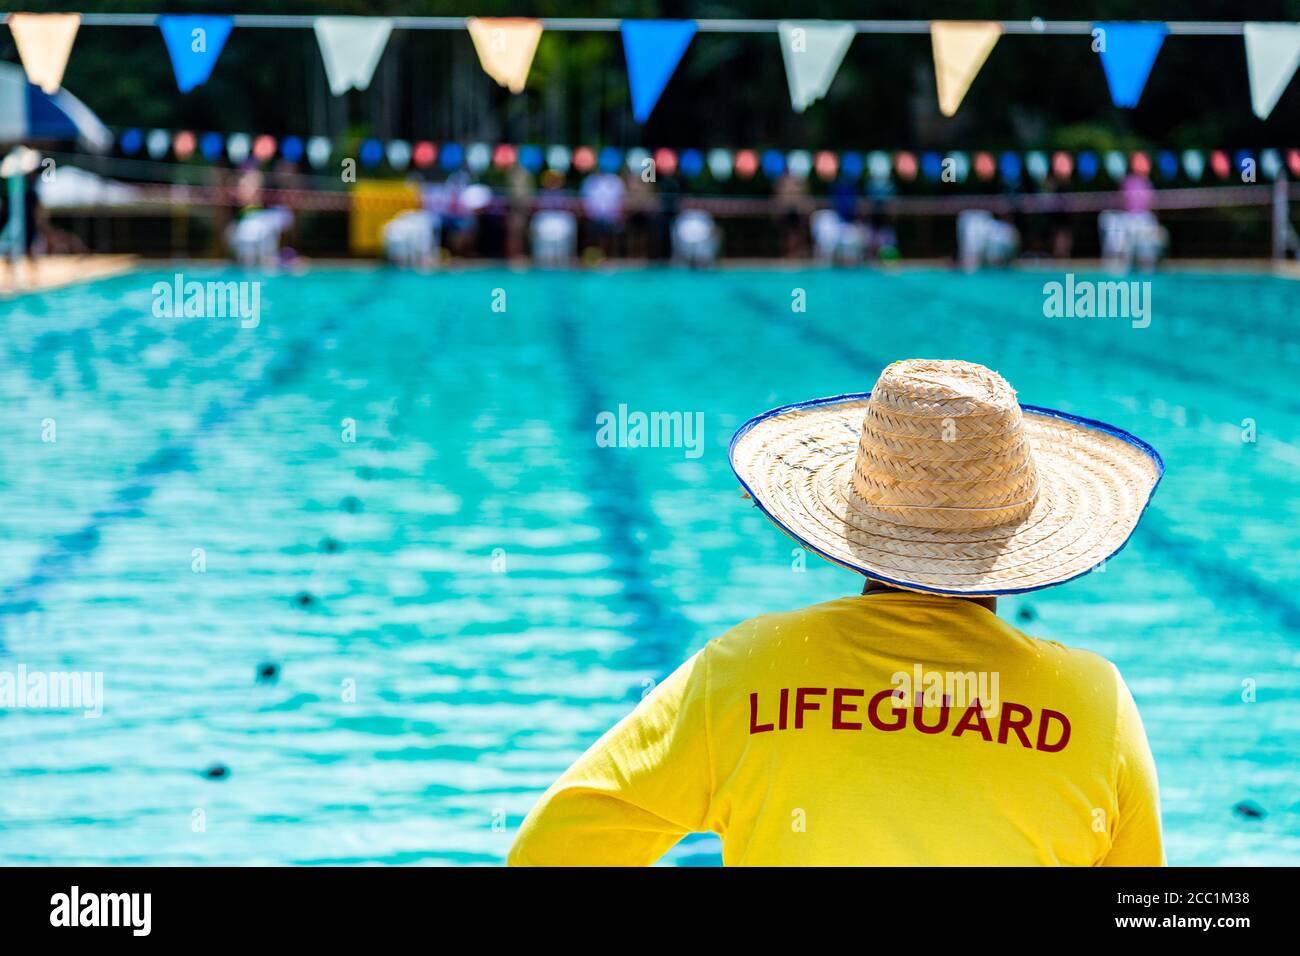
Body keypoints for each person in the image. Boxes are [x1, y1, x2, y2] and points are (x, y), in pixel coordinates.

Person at [510, 359, 1166, 866]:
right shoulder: (1093, 706)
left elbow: (552, 845)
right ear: (1017, 540)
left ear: (853, 523)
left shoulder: (746, 672)